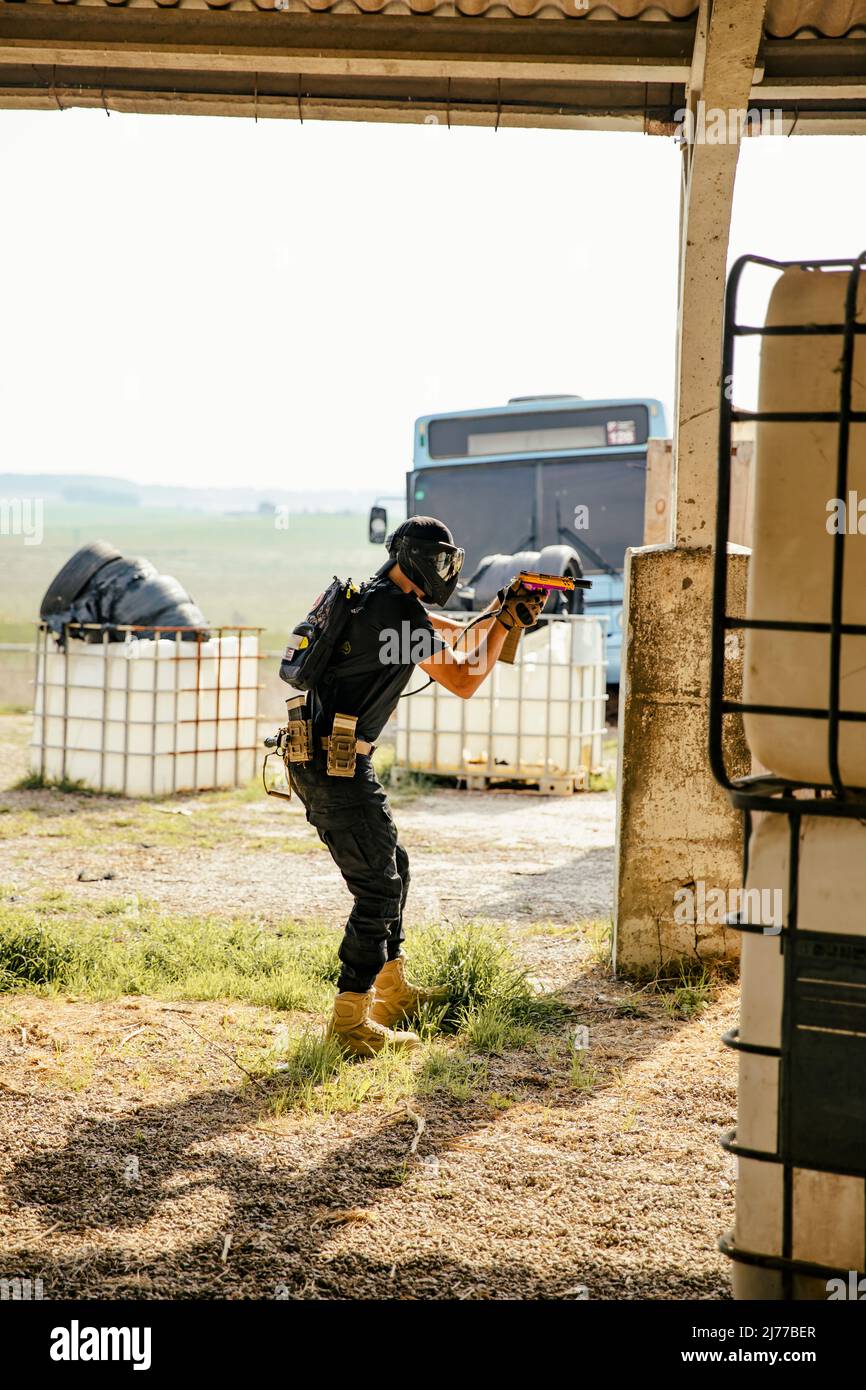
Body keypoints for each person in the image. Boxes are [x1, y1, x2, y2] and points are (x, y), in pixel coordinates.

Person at [288, 516, 546, 1057]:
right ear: (415, 556)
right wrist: (504, 624)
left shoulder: (376, 599)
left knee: (394, 866)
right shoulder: (395, 611)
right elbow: (464, 678)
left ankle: (394, 991)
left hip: (325, 759)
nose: (445, 570)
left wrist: (502, 616)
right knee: (377, 889)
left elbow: (452, 634)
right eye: (442, 559)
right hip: (336, 767)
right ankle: (349, 1021)